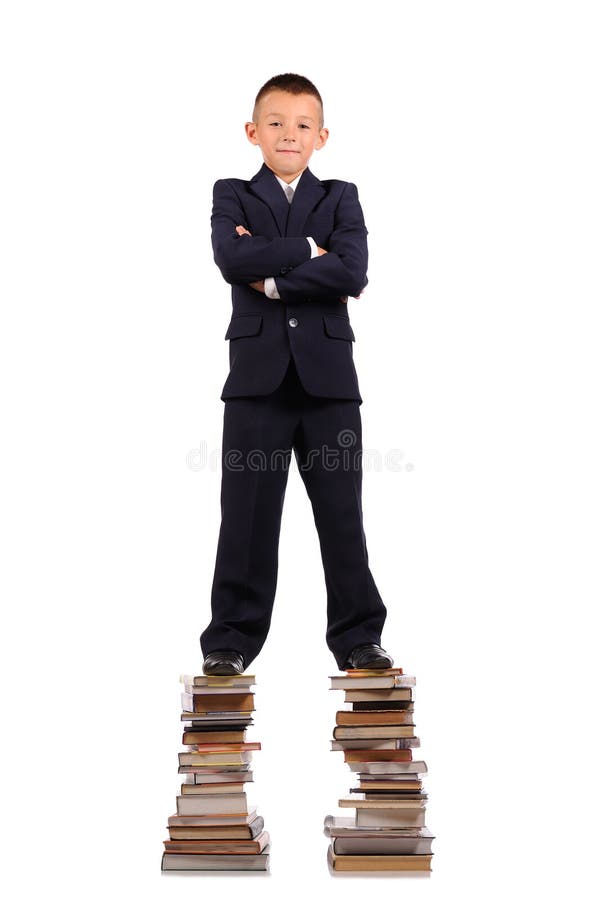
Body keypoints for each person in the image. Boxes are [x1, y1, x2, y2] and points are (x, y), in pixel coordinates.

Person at [200, 73, 394, 675]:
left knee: (342, 514)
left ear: (322, 136)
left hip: (329, 382)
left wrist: (274, 279)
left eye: (304, 125)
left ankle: (359, 637)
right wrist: (311, 251)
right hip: (256, 382)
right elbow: (231, 257)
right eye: (276, 123)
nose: (290, 134)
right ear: (253, 132)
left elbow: (353, 272)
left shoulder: (341, 196)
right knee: (246, 515)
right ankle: (230, 640)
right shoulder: (232, 193)